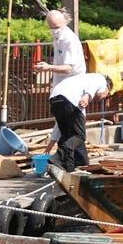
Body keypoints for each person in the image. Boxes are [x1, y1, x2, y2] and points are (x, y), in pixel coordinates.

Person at [32, 9, 86, 155]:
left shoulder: (69, 39)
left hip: (72, 88)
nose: (54, 30)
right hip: (61, 87)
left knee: (72, 126)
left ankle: (60, 156)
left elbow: (69, 68)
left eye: (57, 27)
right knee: (63, 123)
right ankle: (56, 155)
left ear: (64, 23)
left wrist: (49, 67)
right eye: (51, 27)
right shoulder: (58, 38)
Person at [48, 73, 112, 170]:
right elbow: (94, 84)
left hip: (55, 100)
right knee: (79, 136)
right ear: (107, 87)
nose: (104, 98)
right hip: (69, 99)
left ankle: (68, 166)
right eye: (108, 94)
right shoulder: (101, 79)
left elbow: (59, 125)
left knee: (67, 136)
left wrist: (52, 141)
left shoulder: (81, 83)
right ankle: (58, 158)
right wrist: (87, 95)